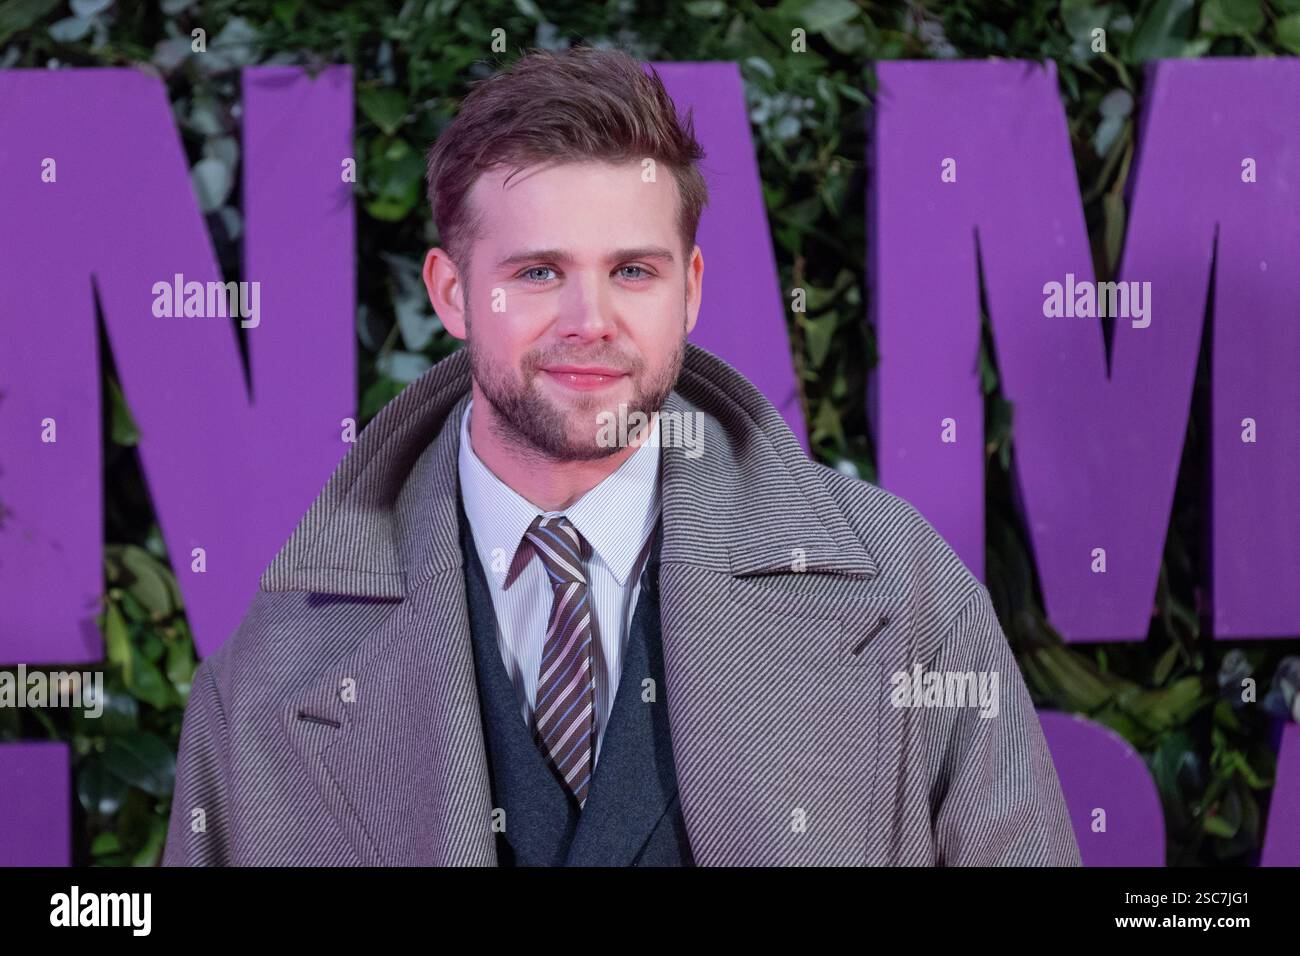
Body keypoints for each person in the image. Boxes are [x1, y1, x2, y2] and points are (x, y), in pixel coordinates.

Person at [162, 44, 1079, 866]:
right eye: (538, 272)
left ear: (690, 291)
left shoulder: (903, 589)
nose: (588, 322)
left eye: (632, 271)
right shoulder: (269, 673)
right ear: (452, 293)